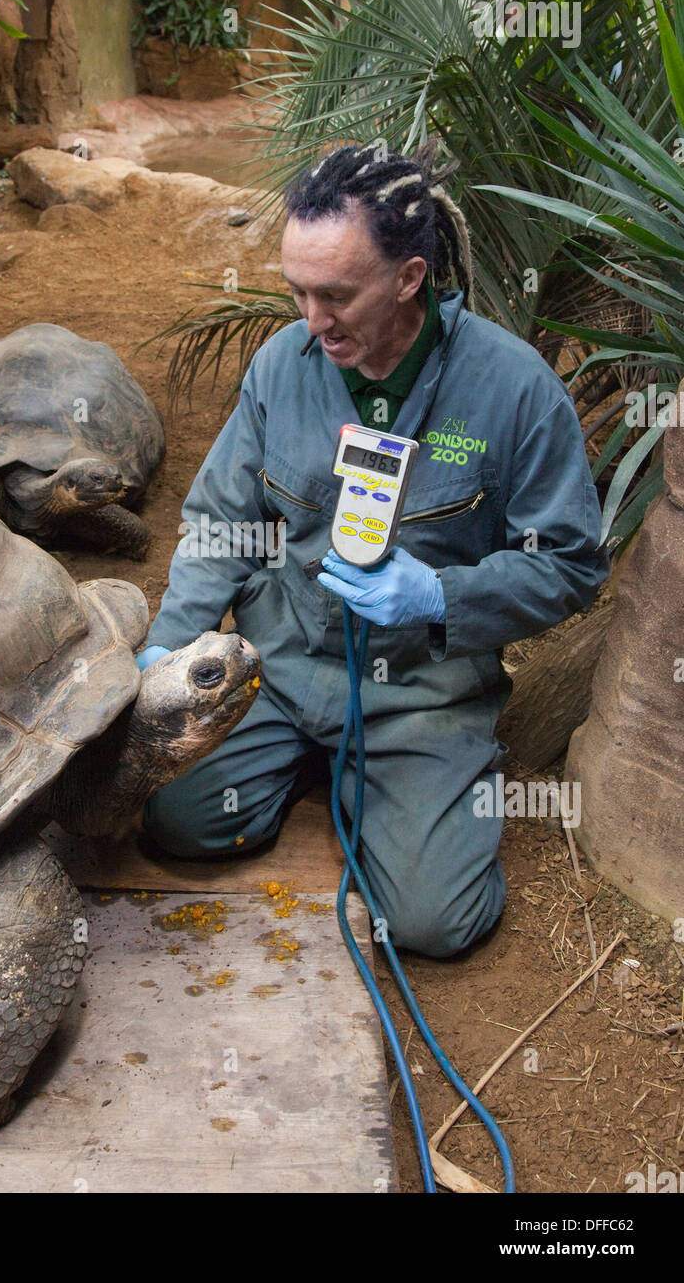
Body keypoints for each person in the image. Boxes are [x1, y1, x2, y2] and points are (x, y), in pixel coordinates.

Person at [135, 145, 609, 958]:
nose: (311, 321)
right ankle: (319, 767)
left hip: (420, 691)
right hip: (276, 670)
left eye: (335, 296)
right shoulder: (282, 368)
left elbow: (570, 562)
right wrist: (165, 654)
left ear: (410, 277)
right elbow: (219, 521)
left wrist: (440, 599)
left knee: (436, 923)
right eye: (297, 291)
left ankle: (415, 785)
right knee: (174, 822)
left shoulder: (514, 389)